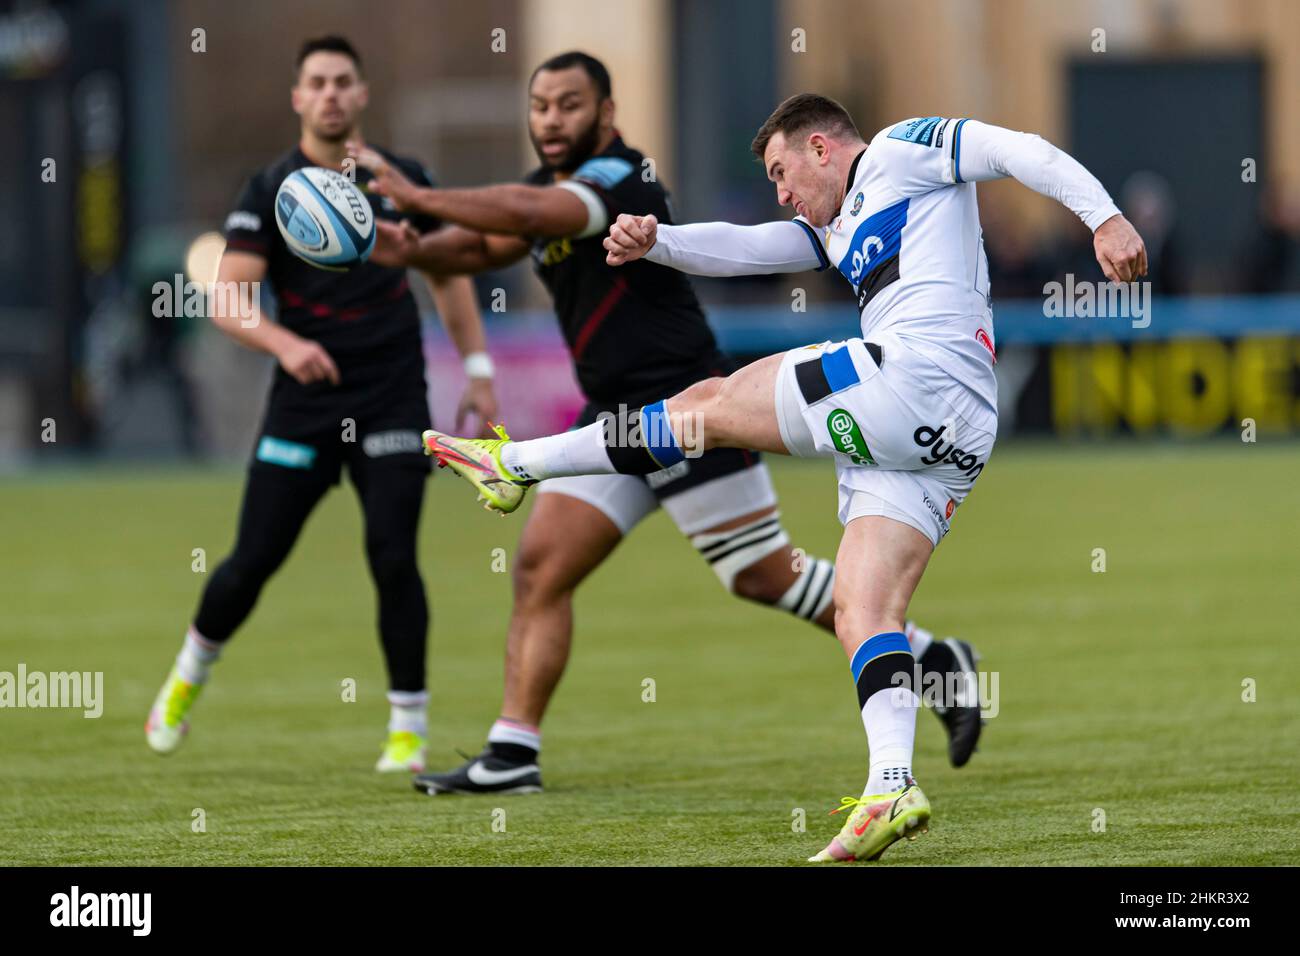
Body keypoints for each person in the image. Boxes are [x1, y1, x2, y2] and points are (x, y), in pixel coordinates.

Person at [418, 96, 1147, 861]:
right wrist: (659, 242)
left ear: (822, 148)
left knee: (707, 404)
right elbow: (749, 247)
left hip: (916, 378)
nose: (781, 192)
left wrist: (1102, 216)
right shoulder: (834, 227)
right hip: (947, 433)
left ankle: (513, 464)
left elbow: (1018, 148)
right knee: (862, 611)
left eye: (780, 172)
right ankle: (892, 784)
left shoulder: (905, 149)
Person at [352, 54, 983, 797]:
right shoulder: (530, 192)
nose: (551, 118)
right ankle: (513, 751)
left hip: (689, 400)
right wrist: (392, 244)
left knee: (761, 575)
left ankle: (928, 658)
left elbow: (528, 220)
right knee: (539, 568)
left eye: (568, 104)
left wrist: (415, 194)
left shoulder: (621, 179)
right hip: (610, 413)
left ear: (606, 114)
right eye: (541, 105)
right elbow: (480, 243)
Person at [144, 36, 497, 774]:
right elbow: (229, 300)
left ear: (362, 94)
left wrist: (476, 365)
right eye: (317, 82)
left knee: (393, 555)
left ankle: (408, 727)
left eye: (343, 81)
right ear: (299, 98)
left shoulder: (405, 179)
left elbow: (449, 275)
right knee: (252, 561)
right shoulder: (270, 188)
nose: (331, 93)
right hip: (305, 397)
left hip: (393, 391)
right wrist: (284, 345)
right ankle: (187, 675)